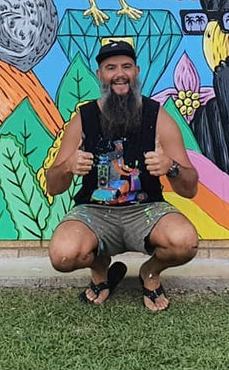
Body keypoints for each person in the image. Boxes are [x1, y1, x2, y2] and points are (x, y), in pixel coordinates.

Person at [46, 39, 200, 311]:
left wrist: (171, 167)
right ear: (100, 75)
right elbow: (54, 185)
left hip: (147, 210)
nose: (120, 74)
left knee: (184, 242)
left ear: (137, 71)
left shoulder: (158, 116)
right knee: (63, 255)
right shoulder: (83, 118)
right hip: (93, 211)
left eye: (126, 66)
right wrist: (68, 165)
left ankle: (150, 273)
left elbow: (190, 188)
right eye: (111, 67)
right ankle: (100, 268)